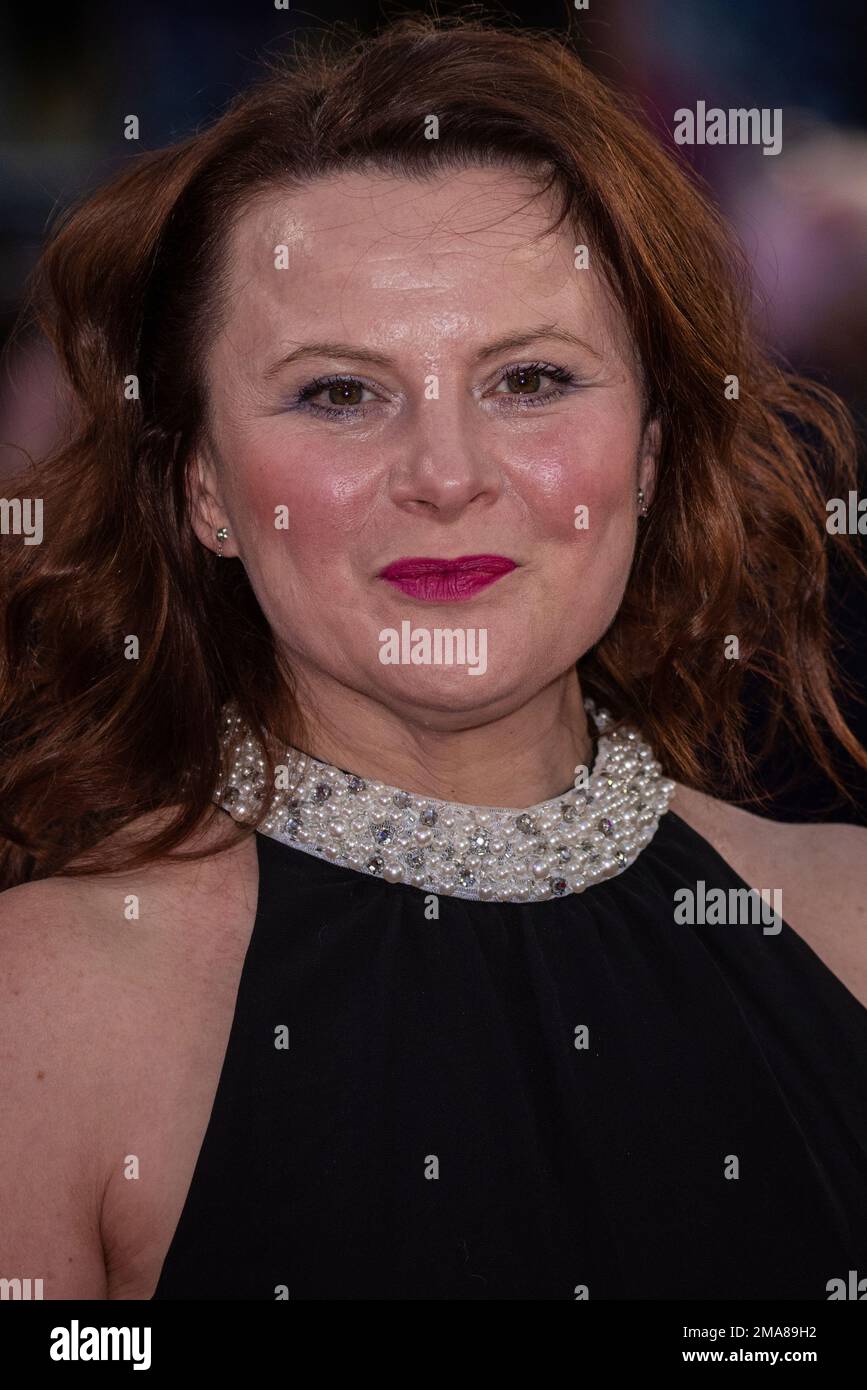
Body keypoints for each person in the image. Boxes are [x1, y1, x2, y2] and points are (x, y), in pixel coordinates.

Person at [1, 16, 865, 1301]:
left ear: (650, 449)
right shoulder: (47, 1014)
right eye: (338, 394)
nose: (447, 476)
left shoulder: (852, 926)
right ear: (204, 489)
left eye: (529, 379)